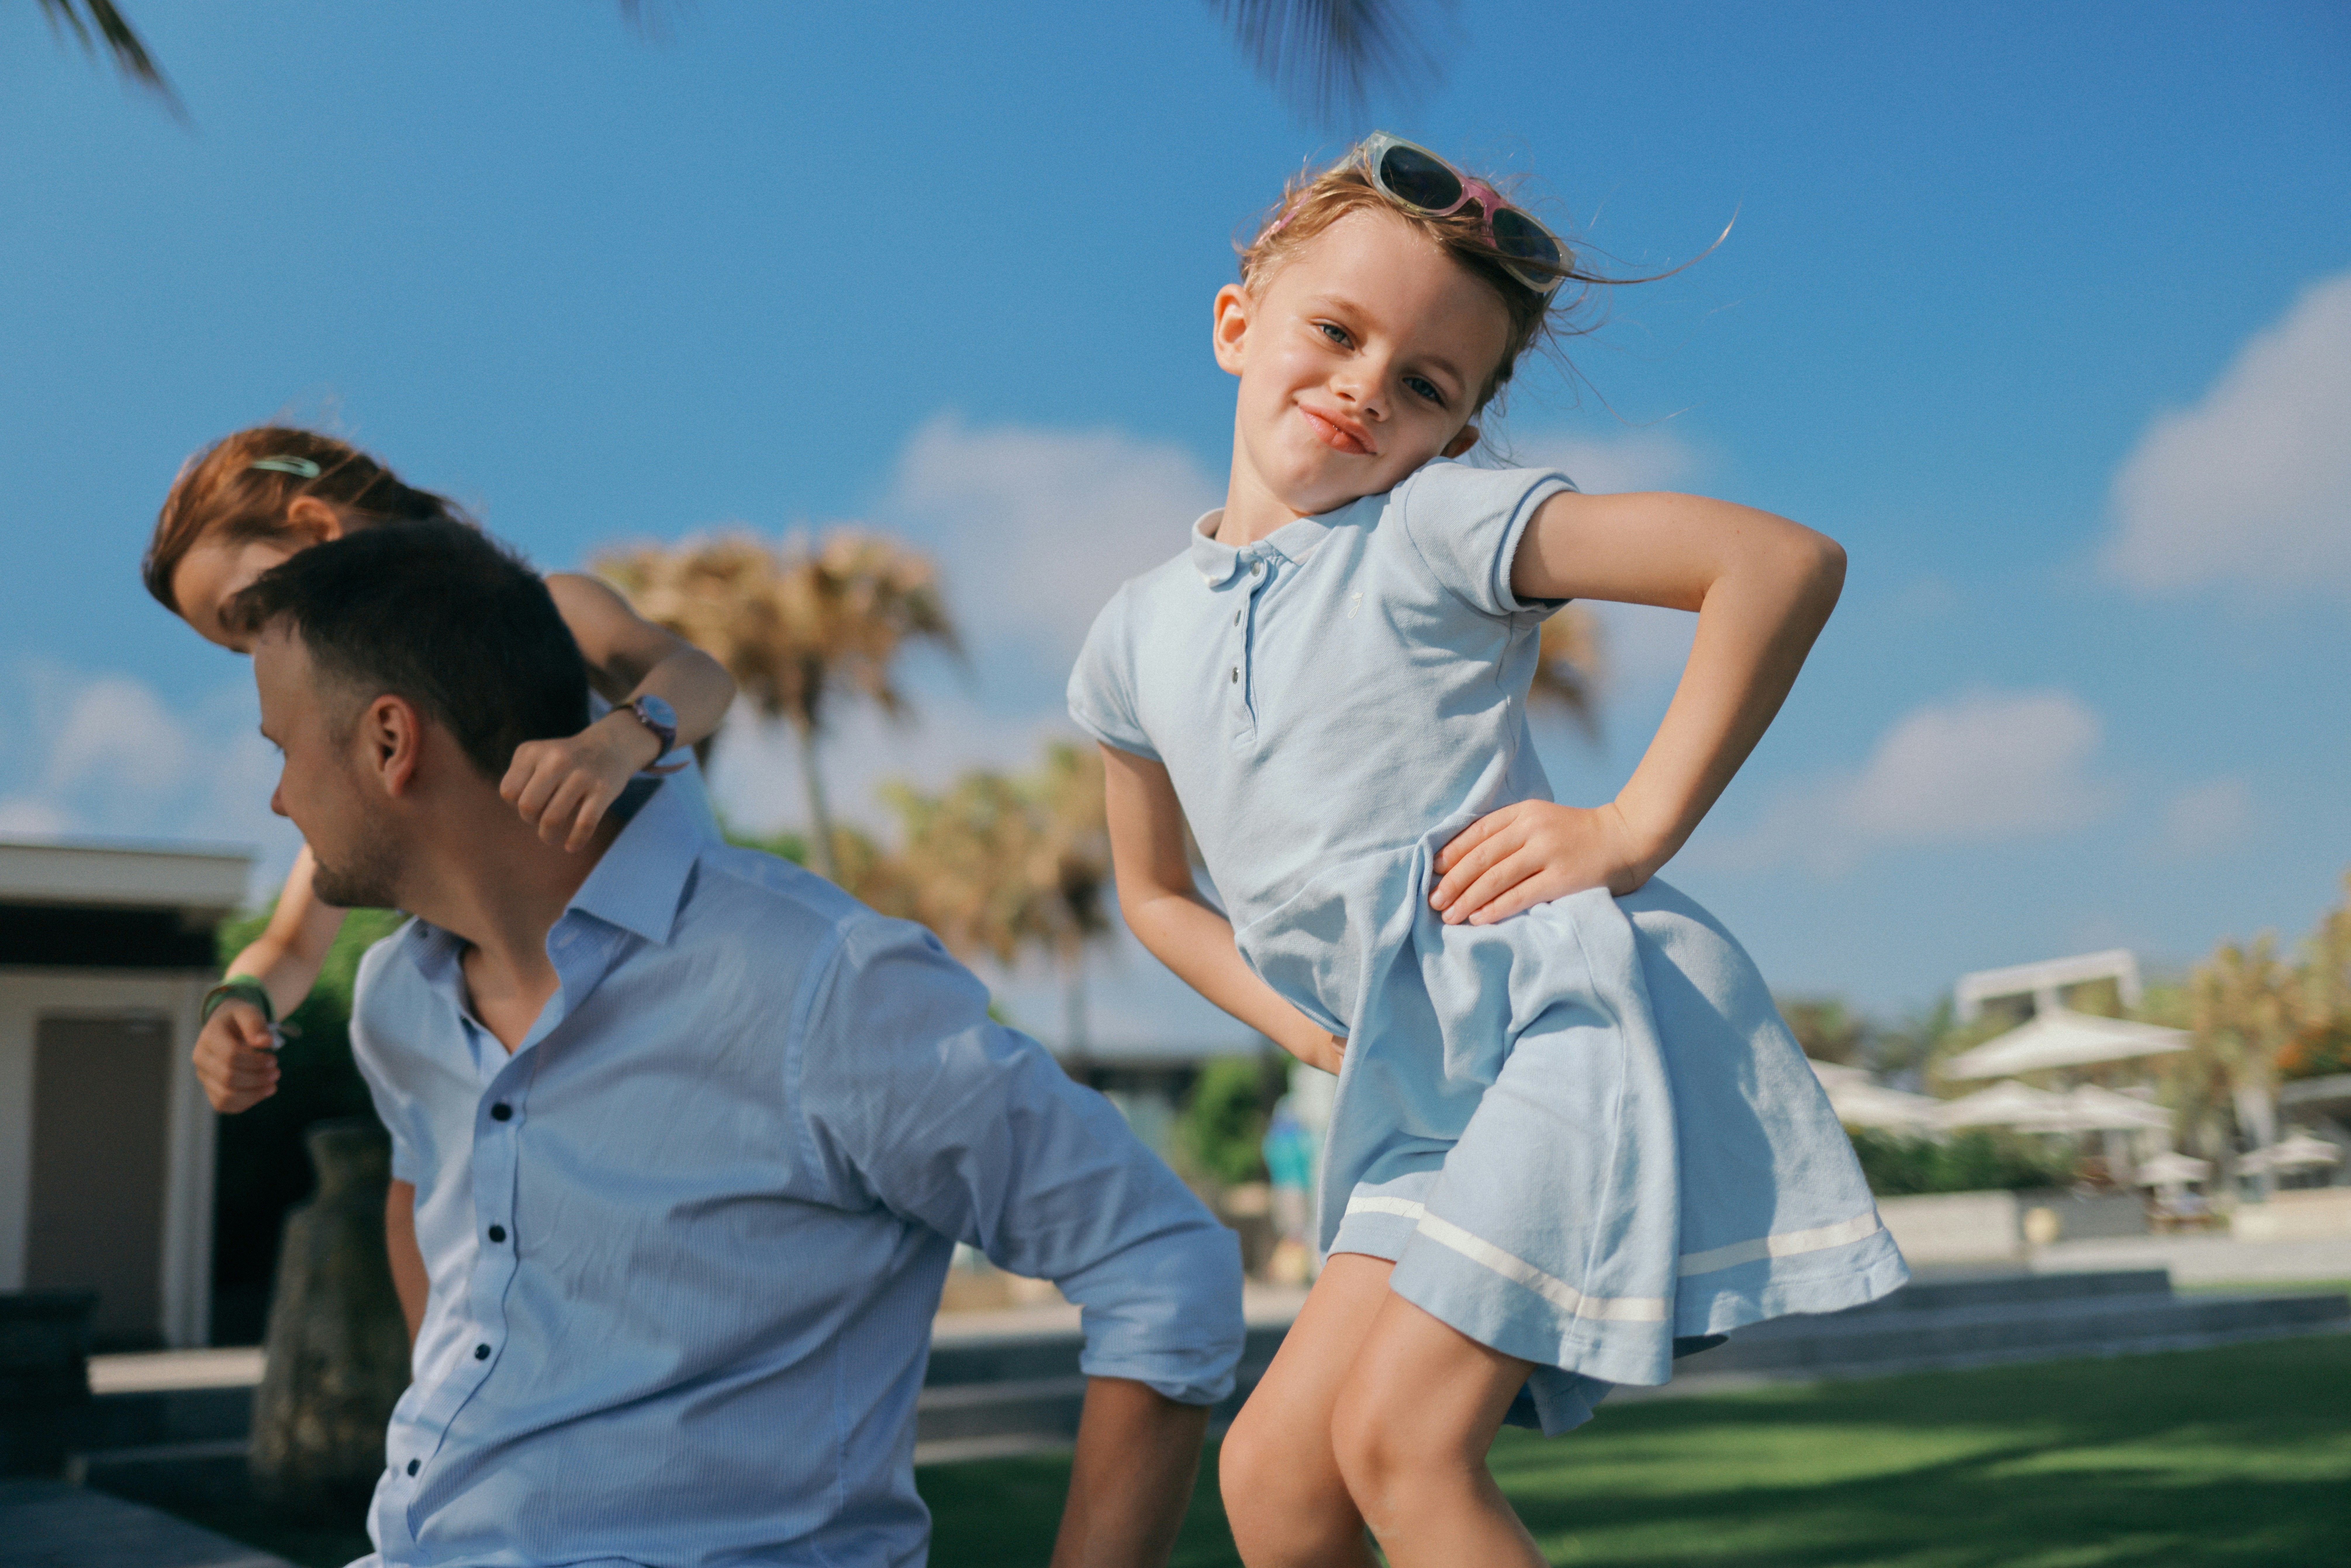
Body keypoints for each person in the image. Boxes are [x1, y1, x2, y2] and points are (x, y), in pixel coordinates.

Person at [1066, 133, 1909, 1567]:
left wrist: (1630, 826)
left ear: (1454, 436)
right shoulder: (1130, 636)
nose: (1363, 388)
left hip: (1555, 1026)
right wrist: (1307, 1028)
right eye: (1336, 331)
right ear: (1236, 325)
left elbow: (1774, 565)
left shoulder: (1433, 527)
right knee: (1275, 1476)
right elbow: (1154, 895)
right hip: (1403, 1093)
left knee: (1400, 1442)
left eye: (1423, 385)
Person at [234, 518, 1243, 1567]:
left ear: (391, 742)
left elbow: (1160, 1259)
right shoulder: (400, 1000)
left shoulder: (814, 981)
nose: (278, 794)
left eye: (283, 746)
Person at [140, 427, 736, 1117]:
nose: (257, 652)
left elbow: (700, 676)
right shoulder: (366, 765)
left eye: (248, 613)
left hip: (703, 1005)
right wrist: (236, 1002)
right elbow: (292, 944)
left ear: (315, 528)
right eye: (238, 645)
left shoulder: (549, 615)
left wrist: (617, 742)